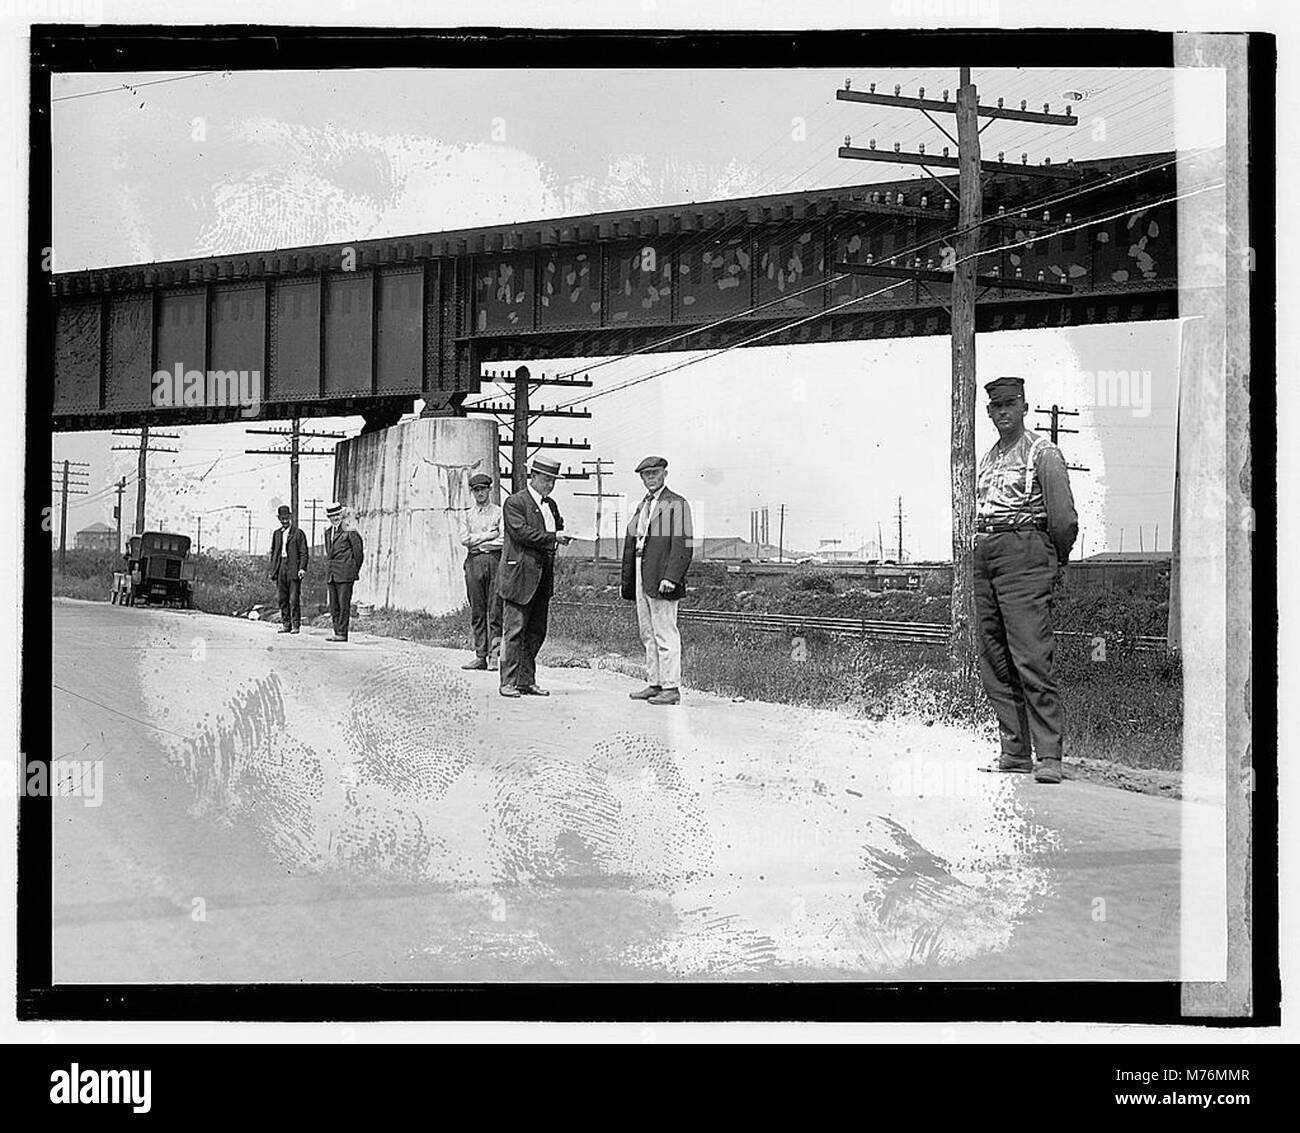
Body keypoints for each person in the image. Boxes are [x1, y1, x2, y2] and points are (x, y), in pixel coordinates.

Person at [974, 376, 1079, 784]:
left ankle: (1049, 755)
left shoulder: (1043, 452)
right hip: (986, 554)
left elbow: (1064, 519)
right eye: (995, 407)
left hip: (1025, 552)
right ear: (989, 412)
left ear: (1023, 406)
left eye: (1009, 405)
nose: (1002, 413)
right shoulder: (989, 458)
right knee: (994, 658)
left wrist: (1054, 560)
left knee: (1031, 656)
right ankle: (1014, 752)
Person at [497, 455, 573, 697]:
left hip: (541, 577)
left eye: (553, 481)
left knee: (536, 631)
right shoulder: (515, 502)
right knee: (514, 631)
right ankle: (507, 682)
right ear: (534, 477)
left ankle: (525, 681)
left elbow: (556, 527)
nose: (550, 485)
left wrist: (563, 533)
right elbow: (521, 533)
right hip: (520, 576)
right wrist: (554, 537)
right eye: (546, 479)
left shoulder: (550, 505)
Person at [621, 455, 693, 705]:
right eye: (645, 475)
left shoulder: (677, 503)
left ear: (665, 473)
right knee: (648, 632)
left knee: (665, 631)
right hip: (642, 569)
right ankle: (655, 683)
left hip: (662, 574)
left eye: (654, 473)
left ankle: (671, 688)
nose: (650, 478)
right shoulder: (643, 505)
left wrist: (672, 577)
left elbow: (683, 544)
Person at [460, 472, 504, 671]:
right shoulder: (467, 514)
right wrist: (489, 535)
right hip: (473, 562)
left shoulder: (499, 512)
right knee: (477, 610)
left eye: (483, 489)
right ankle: (480, 656)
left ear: (489, 489)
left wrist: (482, 545)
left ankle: (495, 656)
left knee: (495, 611)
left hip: (494, 561)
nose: (480, 493)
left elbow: (503, 539)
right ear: (472, 492)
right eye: (476, 490)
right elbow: (464, 539)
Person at [323, 501, 364, 643]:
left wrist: (352, 570)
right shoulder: (328, 533)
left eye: (337, 515)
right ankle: (336, 632)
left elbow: (358, 553)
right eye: (331, 516)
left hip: (345, 574)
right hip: (332, 574)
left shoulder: (350, 530)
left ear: (341, 515)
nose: (335, 518)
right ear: (328, 517)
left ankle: (342, 633)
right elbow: (329, 554)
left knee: (343, 604)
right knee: (334, 605)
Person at [268, 504, 309, 634]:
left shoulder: (298, 533)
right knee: (282, 598)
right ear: (279, 519)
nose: (284, 521)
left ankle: (296, 625)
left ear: (290, 517)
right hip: (281, 567)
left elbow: (304, 552)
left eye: (286, 518)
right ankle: (286, 625)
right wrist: (274, 569)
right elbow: (274, 552)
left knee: (294, 598)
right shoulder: (277, 534)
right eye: (282, 518)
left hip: (294, 568)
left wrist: (302, 568)